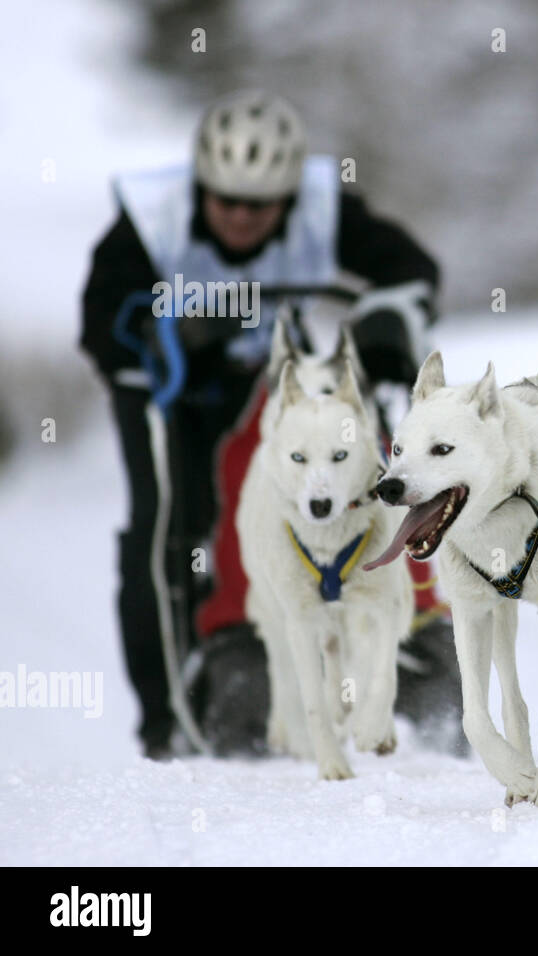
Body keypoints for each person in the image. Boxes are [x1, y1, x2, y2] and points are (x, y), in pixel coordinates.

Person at [80, 90, 464, 758]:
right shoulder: (149, 222)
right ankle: (166, 719)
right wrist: (164, 327)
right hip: (174, 390)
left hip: (280, 389)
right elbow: (99, 325)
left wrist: (387, 326)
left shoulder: (325, 211)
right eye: (224, 200)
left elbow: (413, 270)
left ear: (286, 198)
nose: (239, 216)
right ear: (201, 186)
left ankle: (398, 628)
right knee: (165, 523)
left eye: (258, 205)